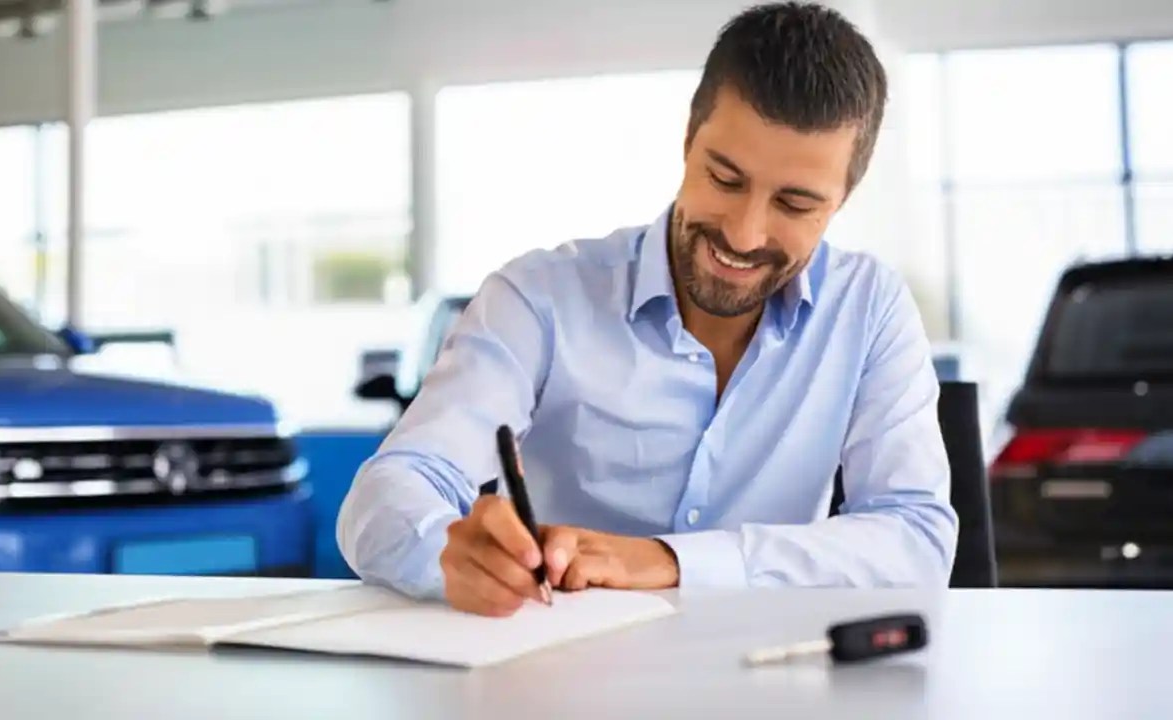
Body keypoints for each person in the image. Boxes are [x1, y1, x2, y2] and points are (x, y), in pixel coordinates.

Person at [337, 1, 958, 616]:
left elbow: (917, 541)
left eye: (795, 205)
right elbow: (386, 495)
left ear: (841, 199)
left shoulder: (870, 308)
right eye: (725, 179)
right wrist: (446, 553)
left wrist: (671, 561)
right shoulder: (540, 298)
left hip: (774, 681)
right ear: (689, 141)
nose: (744, 234)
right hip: (569, 685)